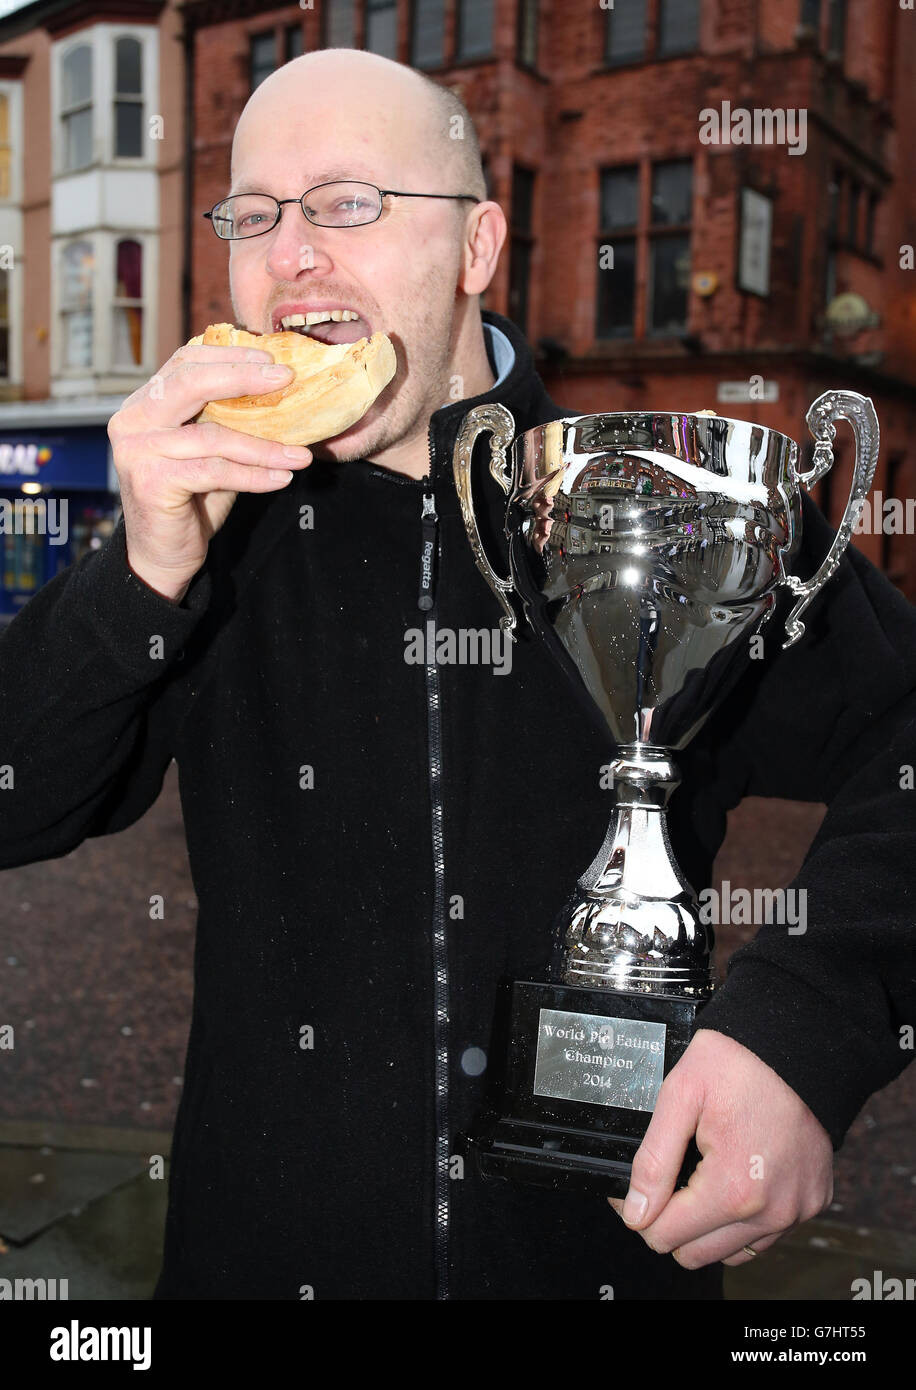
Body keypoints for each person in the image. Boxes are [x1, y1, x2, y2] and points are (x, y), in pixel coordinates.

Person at [1, 47, 914, 1301]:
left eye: (347, 203)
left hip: (604, 1263)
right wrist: (134, 581)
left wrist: (810, 1024)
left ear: (478, 245)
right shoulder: (213, 527)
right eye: (253, 215)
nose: (293, 253)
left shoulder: (670, 495)